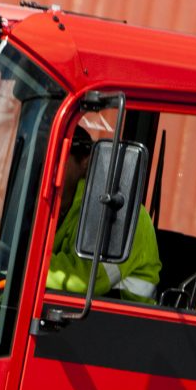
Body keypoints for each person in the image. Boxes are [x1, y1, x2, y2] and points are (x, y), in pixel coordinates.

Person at [47, 124, 160, 304]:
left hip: (119, 324)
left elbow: (83, 280)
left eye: (56, 158)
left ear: (84, 162)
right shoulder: (56, 209)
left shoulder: (119, 213)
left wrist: (19, 267)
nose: (45, 167)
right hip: (72, 317)